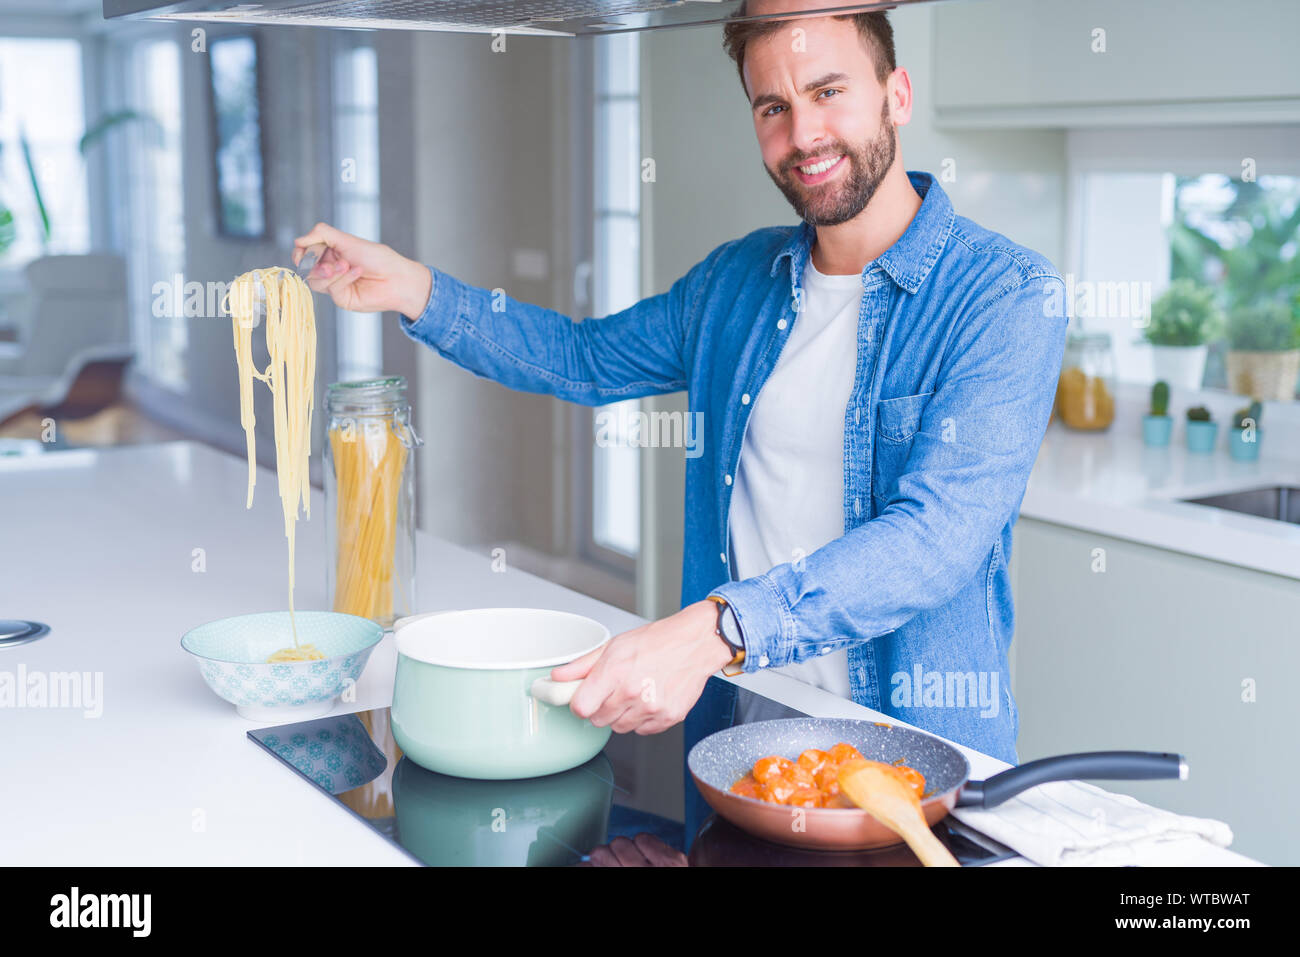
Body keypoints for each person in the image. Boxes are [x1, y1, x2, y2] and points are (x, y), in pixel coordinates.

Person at [295, 0, 1068, 765]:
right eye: (774, 106)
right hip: (743, 744)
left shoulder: (1003, 296)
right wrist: (414, 288)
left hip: (915, 764)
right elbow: (583, 357)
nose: (803, 136)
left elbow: (935, 540)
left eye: (829, 91)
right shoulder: (738, 279)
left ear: (895, 93)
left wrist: (715, 630)